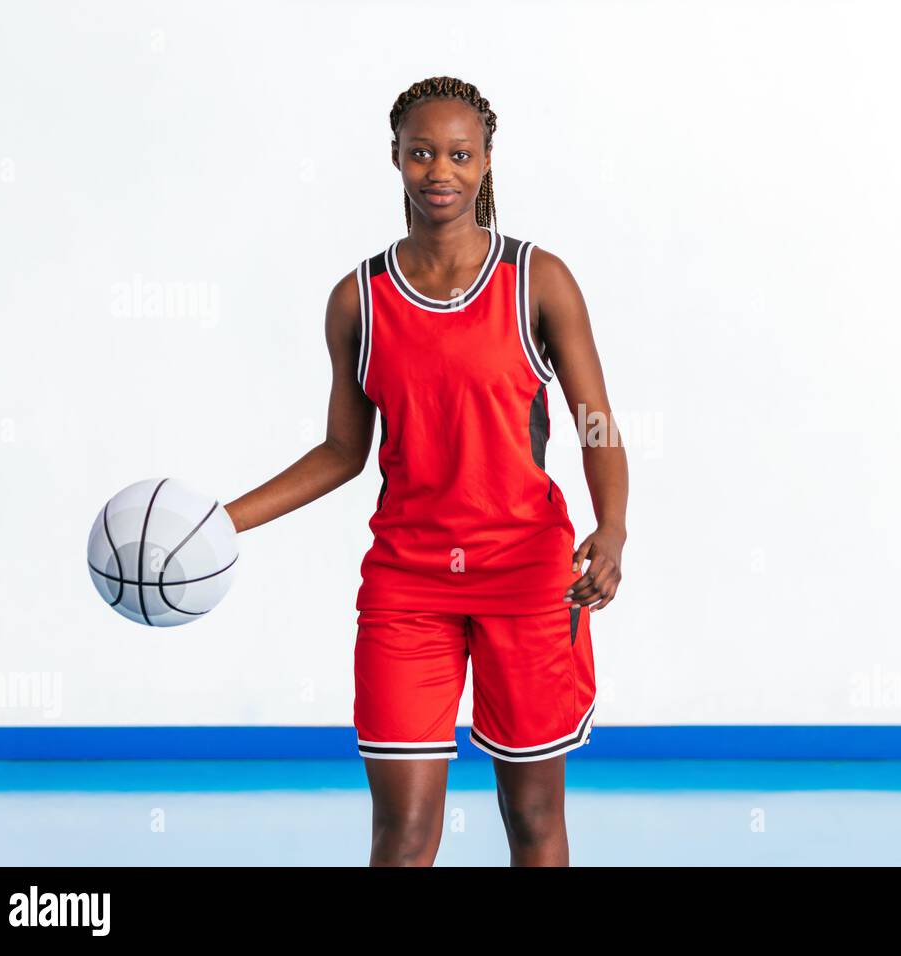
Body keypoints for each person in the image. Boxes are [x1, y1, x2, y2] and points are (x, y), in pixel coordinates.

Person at [224, 76, 628, 866]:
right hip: (410, 583)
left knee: (533, 820)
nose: (438, 171)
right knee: (403, 833)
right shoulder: (359, 299)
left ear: (484, 162)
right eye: (420, 154)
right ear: (395, 159)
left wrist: (610, 527)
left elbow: (594, 420)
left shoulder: (538, 281)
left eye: (457, 154)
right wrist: (223, 521)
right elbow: (345, 450)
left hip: (526, 576)